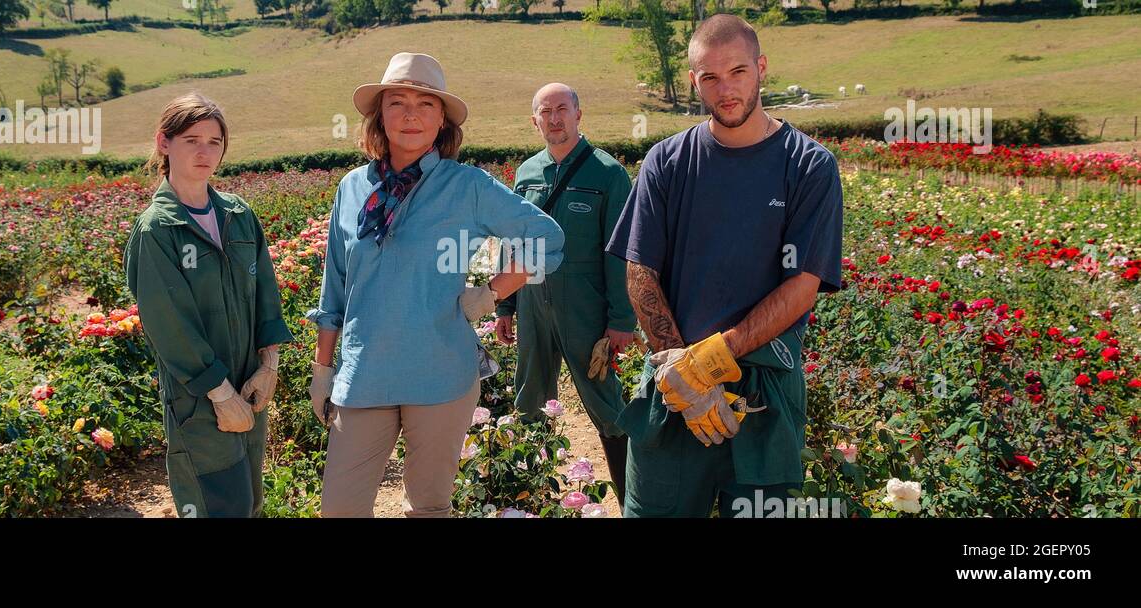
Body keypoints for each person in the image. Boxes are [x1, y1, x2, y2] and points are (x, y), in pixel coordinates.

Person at [605, 15, 844, 518]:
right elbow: (640, 272)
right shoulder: (666, 161)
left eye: (737, 71)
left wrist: (709, 361)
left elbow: (802, 286)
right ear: (694, 82)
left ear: (761, 68)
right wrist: (682, 373)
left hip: (763, 392)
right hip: (672, 390)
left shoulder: (808, 166)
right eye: (709, 77)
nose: (726, 89)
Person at [307, 52, 565, 518]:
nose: (410, 115)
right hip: (365, 374)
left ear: (442, 120)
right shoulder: (351, 189)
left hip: (441, 373)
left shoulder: (466, 186)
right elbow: (334, 290)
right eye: (397, 102)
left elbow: (546, 238)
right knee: (339, 509)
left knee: (428, 507)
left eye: (425, 104)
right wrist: (322, 369)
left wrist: (490, 294)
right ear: (378, 116)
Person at [125, 92, 294, 518]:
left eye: (215, 142)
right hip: (198, 398)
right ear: (164, 143)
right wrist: (219, 394)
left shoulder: (238, 215)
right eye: (191, 140)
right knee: (218, 504)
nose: (205, 152)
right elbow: (170, 325)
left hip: (249, 384)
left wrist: (268, 364)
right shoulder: (157, 231)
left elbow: (266, 294)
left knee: (250, 501)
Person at [495, 83, 636, 508]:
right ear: (534, 121)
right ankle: (528, 503)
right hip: (534, 300)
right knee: (529, 399)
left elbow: (621, 252)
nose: (555, 118)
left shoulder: (607, 174)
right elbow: (511, 240)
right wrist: (505, 304)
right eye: (546, 111)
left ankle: (635, 500)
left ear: (579, 114)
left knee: (606, 403)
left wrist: (621, 320)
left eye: (562, 109)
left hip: (586, 305)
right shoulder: (526, 173)